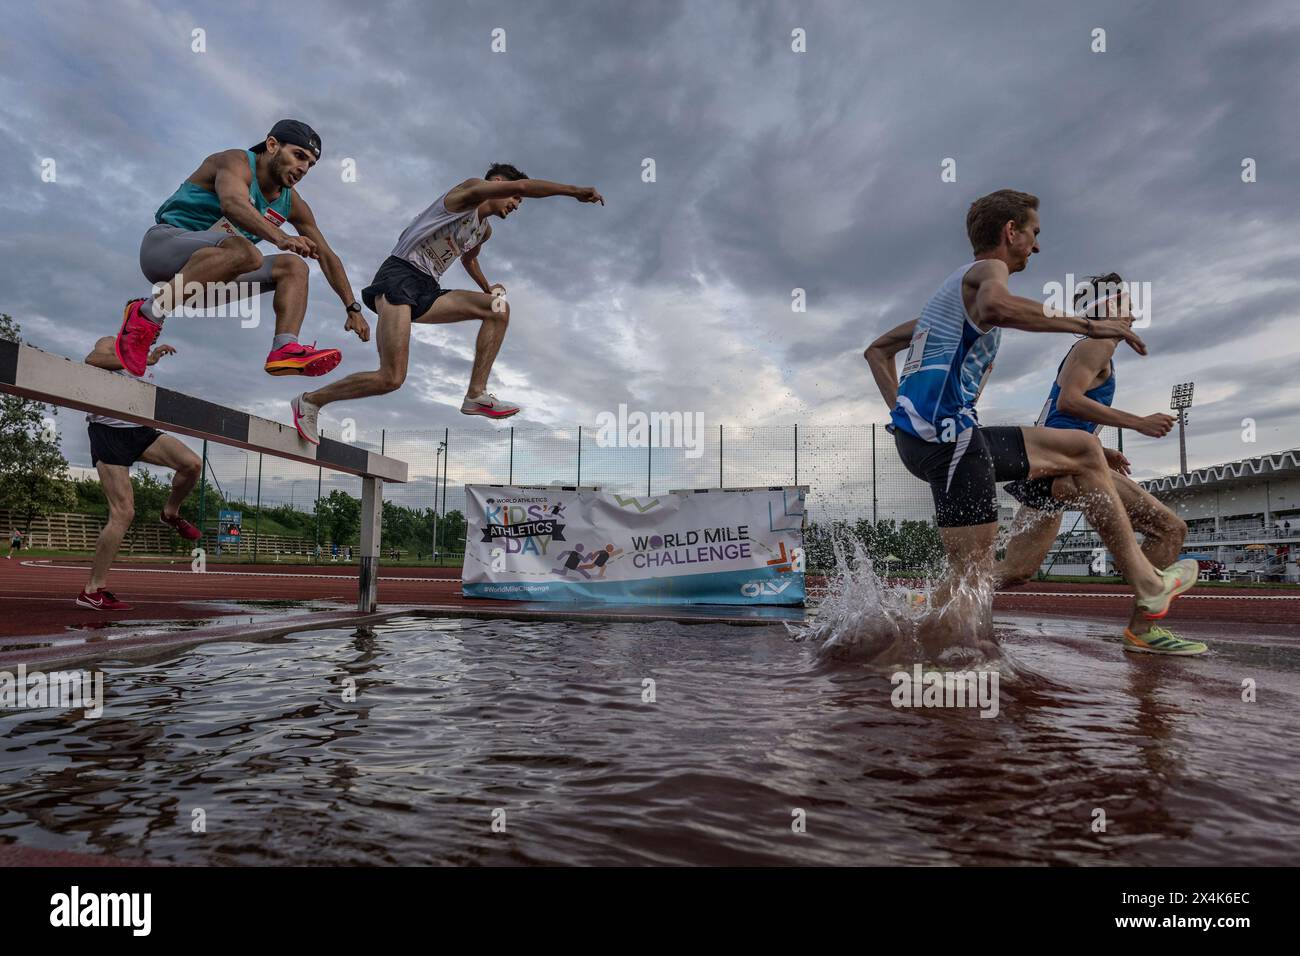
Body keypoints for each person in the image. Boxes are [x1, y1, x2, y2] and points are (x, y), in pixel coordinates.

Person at [865, 190, 1198, 644]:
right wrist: (1091, 325)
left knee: (1081, 453)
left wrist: (904, 415)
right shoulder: (988, 272)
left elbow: (876, 351)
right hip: (949, 443)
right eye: (1034, 233)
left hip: (946, 438)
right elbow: (998, 307)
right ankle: (907, 661)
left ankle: (1145, 582)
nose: (1037, 246)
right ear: (1011, 232)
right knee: (972, 584)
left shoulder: (942, 305)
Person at [288, 164, 605, 443]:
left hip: (428, 288)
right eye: (514, 198)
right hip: (399, 275)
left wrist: (487, 287)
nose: (517, 204)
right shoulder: (466, 193)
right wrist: (574, 191)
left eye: (518, 200)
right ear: (495, 183)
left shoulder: (484, 230)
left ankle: (475, 395)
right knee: (391, 378)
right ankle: (311, 400)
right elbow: (522, 184)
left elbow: (468, 259)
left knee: (497, 309)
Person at [993, 273, 1206, 655]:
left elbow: (1059, 416)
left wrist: (1098, 447)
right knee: (1170, 529)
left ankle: (931, 601)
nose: (1134, 313)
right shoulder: (1099, 343)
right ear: (1107, 307)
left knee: (1015, 570)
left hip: (1050, 465)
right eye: (1125, 304)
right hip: (1064, 466)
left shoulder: (1090, 346)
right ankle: (1144, 631)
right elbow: (1068, 402)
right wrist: (1137, 422)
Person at [113, 120, 369, 379]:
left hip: (207, 282)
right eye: (298, 156)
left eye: (310, 165)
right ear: (272, 145)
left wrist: (352, 307)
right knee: (246, 252)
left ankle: (284, 347)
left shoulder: (293, 204)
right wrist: (281, 237)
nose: (303, 168)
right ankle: (147, 313)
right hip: (165, 249)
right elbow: (232, 203)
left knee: (294, 267)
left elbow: (327, 255)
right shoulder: (235, 162)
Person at [77, 337, 203, 611]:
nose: (153, 331)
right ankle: (92, 589)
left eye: (156, 329)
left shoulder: (145, 352)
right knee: (123, 513)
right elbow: (92, 361)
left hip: (140, 431)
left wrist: (150, 358)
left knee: (192, 464)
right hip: (108, 431)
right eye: (147, 322)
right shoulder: (111, 342)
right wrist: (143, 360)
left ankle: (170, 512)